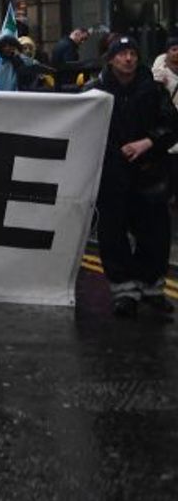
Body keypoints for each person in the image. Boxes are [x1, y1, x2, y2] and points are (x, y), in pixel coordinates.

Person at [89, 35, 177, 318]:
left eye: (132, 54)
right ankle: (124, 291)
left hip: (148, 173)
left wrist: (148, 142)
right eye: (122, 54)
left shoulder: (153, 90)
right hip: (112, 175)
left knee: (155, 233)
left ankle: (151, 287)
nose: (128, 59)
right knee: (113, 234)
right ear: (111, 58)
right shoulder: (95, 91)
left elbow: (171, 124)